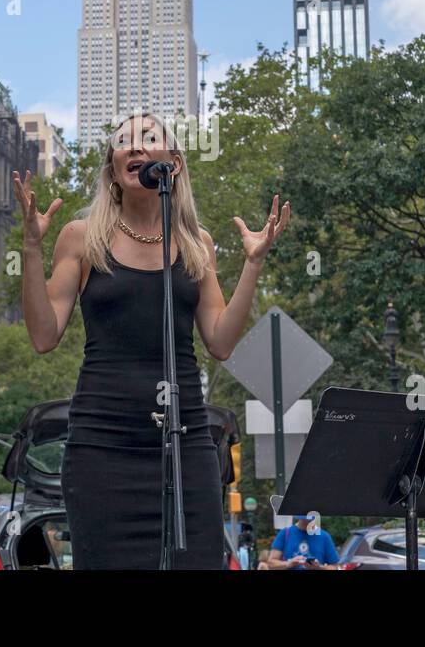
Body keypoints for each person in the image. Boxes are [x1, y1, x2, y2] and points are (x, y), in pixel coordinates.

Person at [14, 112, 291, 569]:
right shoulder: (81, 237)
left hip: (184, 443)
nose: (133, 146)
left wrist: (254, 265)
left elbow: (220, 342)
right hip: (102, 446)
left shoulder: (195, 243)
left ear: (173, 164)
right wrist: (29, 248)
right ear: (113, 167)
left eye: (148, 137)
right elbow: (44, 335)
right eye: (122, 141)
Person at [268, 515, 341, 570]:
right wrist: (288, 563)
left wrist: (319, 567)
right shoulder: (285, 533)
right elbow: (271, 563)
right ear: (299, 518)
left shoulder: (324, 536)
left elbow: (335, 567)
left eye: (309, 521)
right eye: (304, 520)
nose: (306, 523)